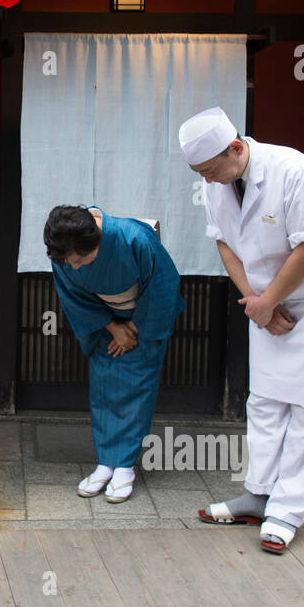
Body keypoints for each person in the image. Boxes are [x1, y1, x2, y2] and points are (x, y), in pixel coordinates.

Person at [178, 106, 304, 555]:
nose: (206, 182)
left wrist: (269, 303)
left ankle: (286, 512)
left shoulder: (295, 170)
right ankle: (259, 494)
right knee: (264, 400)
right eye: (198, 174)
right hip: (264, 300)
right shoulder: (221, 185)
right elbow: (223, 241)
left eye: (209, 170)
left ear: (236, 149)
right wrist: (256, 303)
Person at [45, 205, 185, 503]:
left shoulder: (134, 238)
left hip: (145, 320)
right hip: (103, 323)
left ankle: (124, 467)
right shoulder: (63, 253)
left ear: (97, 239)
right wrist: (112, 327)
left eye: (81, 259)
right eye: (71, 262)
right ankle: (105, 462)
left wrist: (132, 327)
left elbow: (162, 284)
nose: (77, 266)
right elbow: (71, 295)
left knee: (136, 388)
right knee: (104, 386)